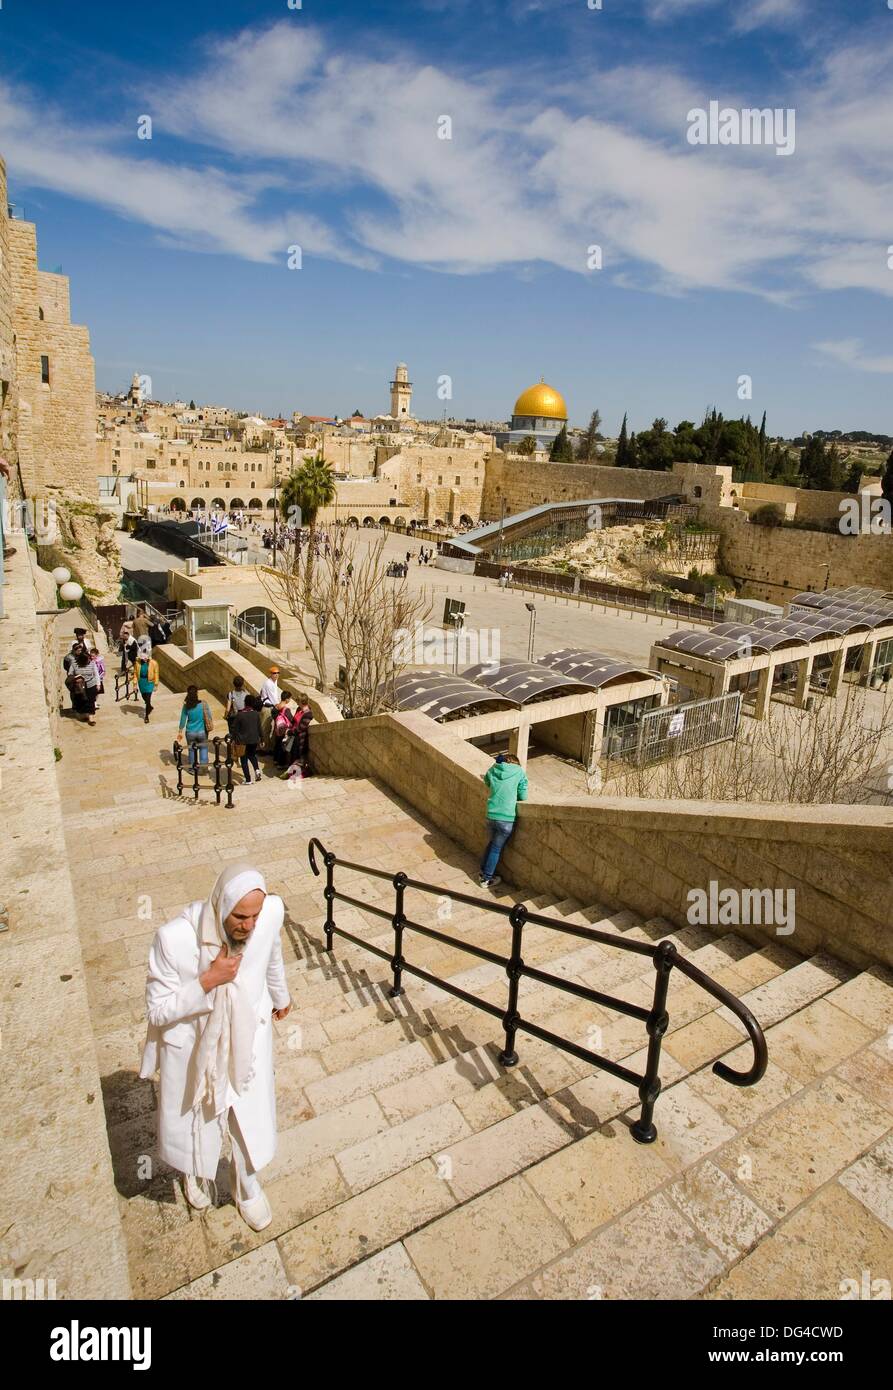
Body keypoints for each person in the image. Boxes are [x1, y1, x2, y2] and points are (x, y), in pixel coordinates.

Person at [138, 862, 291, 1231]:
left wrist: (281, 996)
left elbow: (271, 954)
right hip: (196, 1046)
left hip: (246, 1041)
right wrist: (207, 980)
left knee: (245, 1116)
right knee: (199, 1114)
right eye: (240, 916)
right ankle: (195, 1172)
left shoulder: (268, 915)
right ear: (221, 906)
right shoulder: (174, 939)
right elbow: (157, 1011)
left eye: (254, 916)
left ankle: (246, 1187)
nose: (248, 925)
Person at [479, 752, 528, 888]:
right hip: (506, 817)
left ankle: (482, 871)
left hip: (491, 814)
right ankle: (486, 879)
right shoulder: (519, 772)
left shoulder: (494, 768)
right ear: (516, 763)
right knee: (496, 848)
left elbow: (487, 781)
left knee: (491, 844)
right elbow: (523, 795)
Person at [177, 686, 213, 768]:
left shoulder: (186, 706)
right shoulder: (203, 704)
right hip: (202, 731)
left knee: (191, 750)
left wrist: (180, 731)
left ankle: (192, 768)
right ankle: (204, 767)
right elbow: (209, 716)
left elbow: (183, 719)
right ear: (196, 693)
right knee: (203, 748)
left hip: (190, 732)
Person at [233, 695, 263, 784]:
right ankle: (257, 770)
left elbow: (235, 729)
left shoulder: (240, 715)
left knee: (243, 759)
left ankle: (248, 779)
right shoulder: (256, 714)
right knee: (252, 755)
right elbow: (259, 728)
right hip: (254, 739)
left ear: (245, 702)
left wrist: (234, 739)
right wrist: (262, 739)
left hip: (242, 741)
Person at [272, 692, 296, 767]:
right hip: (284, 730)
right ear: (286, 699)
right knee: (282, 747)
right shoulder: (286, 709)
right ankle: (281, 763)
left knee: (277, 744)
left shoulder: (275, 707)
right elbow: (292, 720)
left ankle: (275, 760)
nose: (290, 700)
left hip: (277, 729)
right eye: (289, 698)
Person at [136, 648, 159, 723]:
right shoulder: (137, 663)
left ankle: (146, 716)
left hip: (150, 682)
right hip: (142, 682)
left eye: (146, 657)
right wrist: (134, 684)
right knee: (144, 697)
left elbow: (156, 674)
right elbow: (136, 674)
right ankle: (150, 706)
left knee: (148, 698)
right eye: (143, 657)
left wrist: (156, 685)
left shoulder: (154, 663)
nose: (145, 659)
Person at [224, 674, 248, 739]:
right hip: (243, 716)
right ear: (242, 684)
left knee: (233, 735)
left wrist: (225, 716)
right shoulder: (246, 693)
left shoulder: (230, 694)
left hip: (234, 717)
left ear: (234, 683)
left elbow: (228, 709)